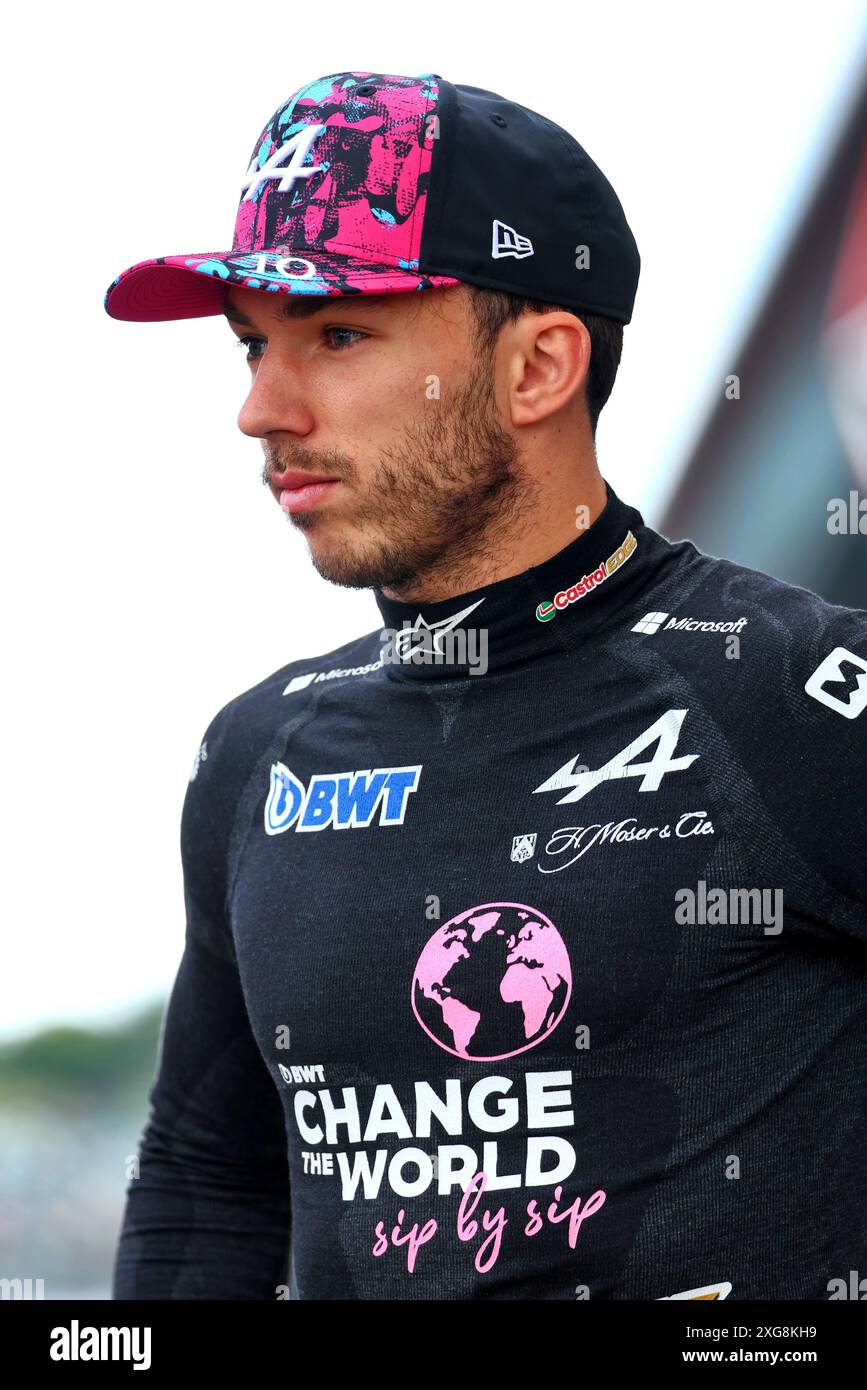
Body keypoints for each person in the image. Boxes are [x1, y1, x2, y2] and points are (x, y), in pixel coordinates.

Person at [104, 69, 866, 1301]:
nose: (260, 408)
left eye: (336, 336)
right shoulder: (261, 754)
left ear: (538, 367)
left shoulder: (799, 694)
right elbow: (209, 1176)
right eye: (254, 344)